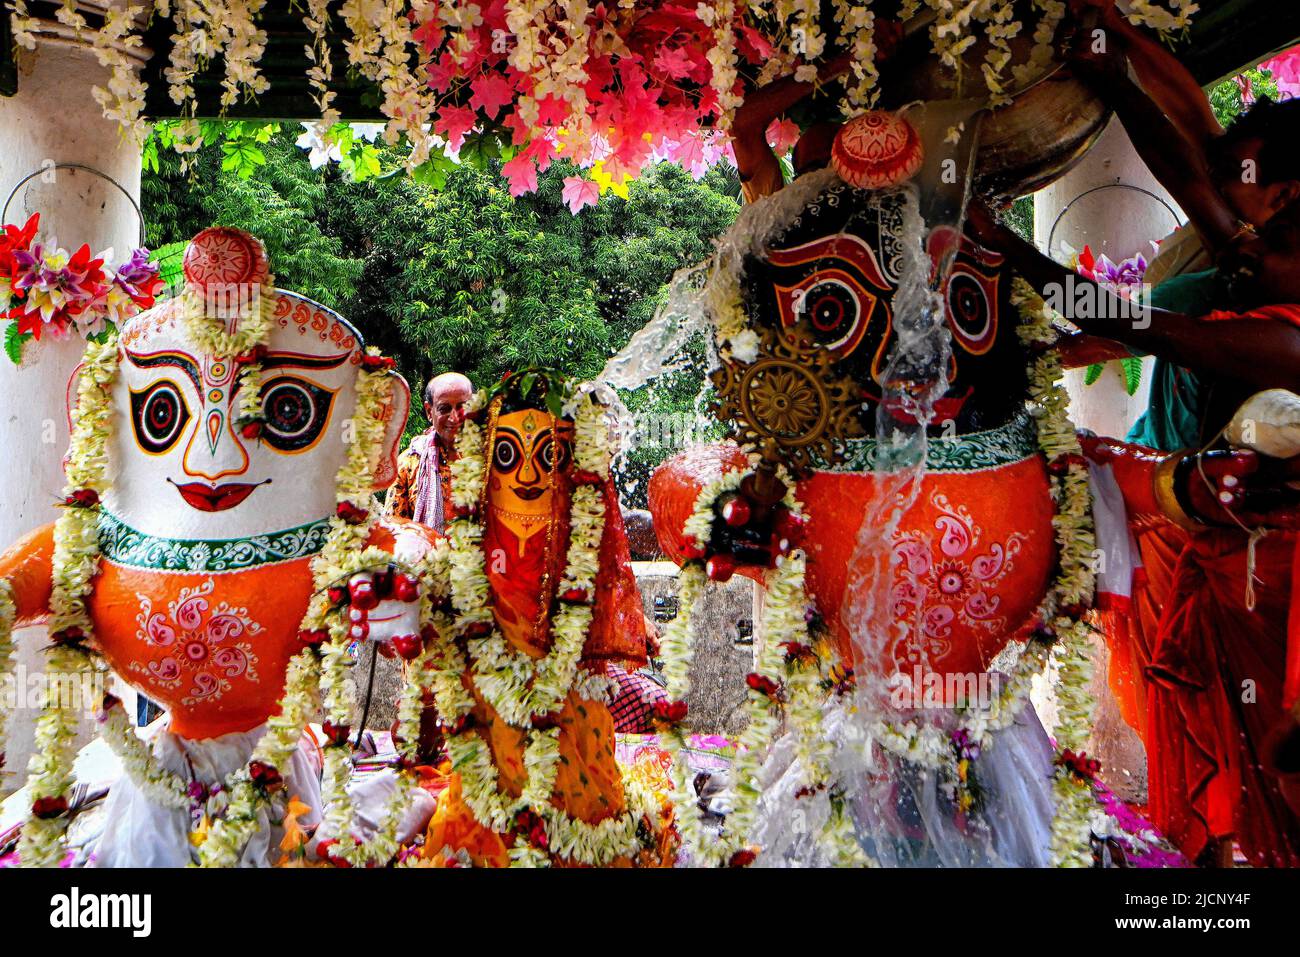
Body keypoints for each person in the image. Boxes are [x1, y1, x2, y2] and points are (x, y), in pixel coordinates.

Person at [385, 372, 472, 530]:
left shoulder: (491, 458)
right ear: (428, 411)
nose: (454, 418)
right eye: (444, 409)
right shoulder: (408, 463)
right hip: (424, 552)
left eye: (462, 407)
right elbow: (394, 530)